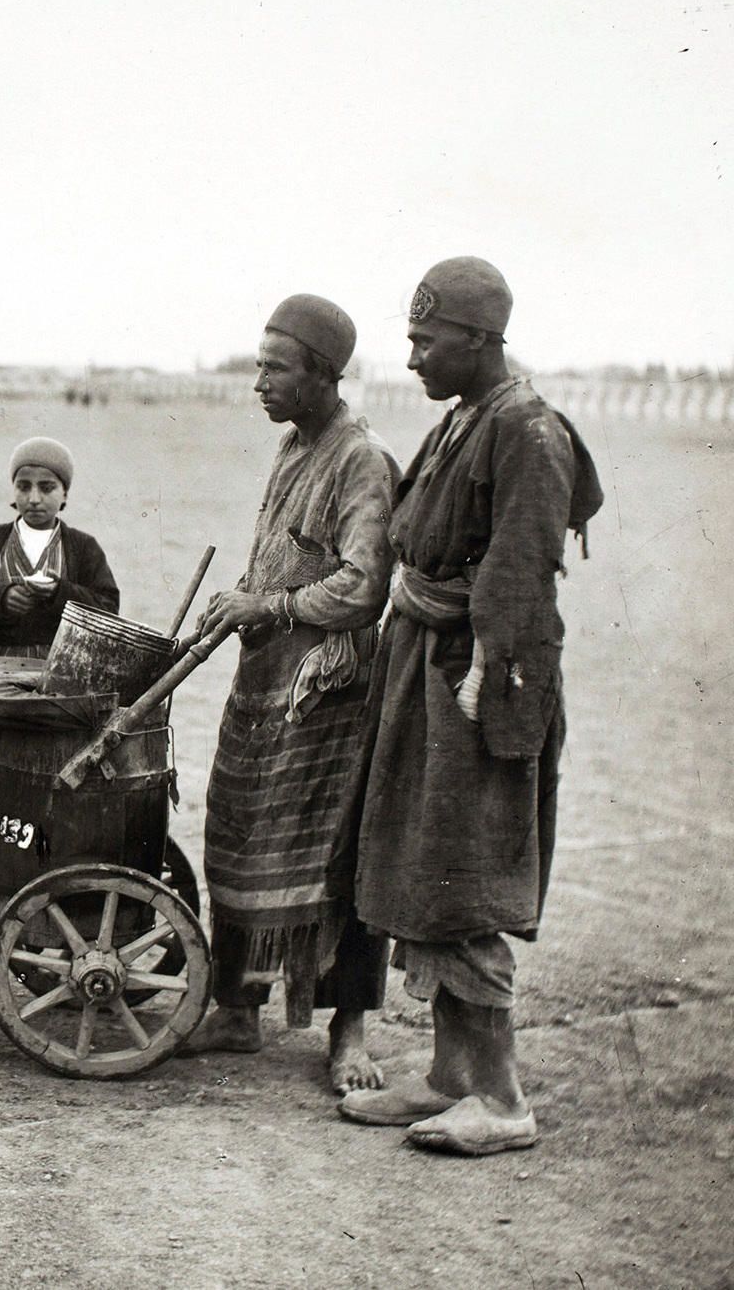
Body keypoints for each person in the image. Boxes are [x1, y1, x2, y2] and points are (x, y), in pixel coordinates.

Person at [338, 257, 603, 1155]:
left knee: (466, 873)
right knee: (423, 862)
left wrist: (485, 685)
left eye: (425, 339)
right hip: (428, 669)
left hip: (478, 686)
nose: (411, 355)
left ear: (479, 338)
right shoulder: (466, 420)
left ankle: (500, 1097)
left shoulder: (527, 431)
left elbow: (520, 575)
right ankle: (451, 1075)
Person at [180, 294, 399, 1093]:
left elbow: (364, 584)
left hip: (326, 693)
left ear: (322, 373)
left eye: (275, 366)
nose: (259, 380)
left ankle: (348, 1031)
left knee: (329, 856)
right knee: (235, 824)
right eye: (259, 363)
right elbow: (278, 552)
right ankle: (236, 1008)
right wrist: (242, 596)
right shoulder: (291, 445)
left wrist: (266, 607)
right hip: (262, 677)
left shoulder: (361, 458)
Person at [0, 438, 120, 919]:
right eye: (25, 486)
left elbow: (108, 604)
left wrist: (60, 594)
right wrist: (0, 599)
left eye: (47, 487)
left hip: (57, 683)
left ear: (65, 494)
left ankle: (39, 888)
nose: (35, 497)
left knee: (45, 786)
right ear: (13, 492)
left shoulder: (82, 548)